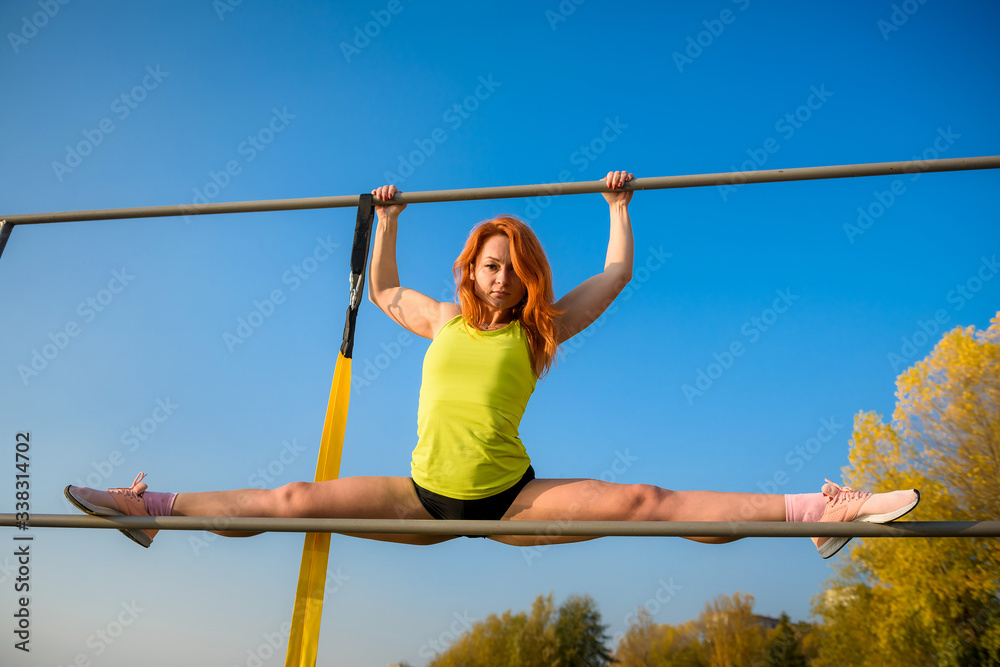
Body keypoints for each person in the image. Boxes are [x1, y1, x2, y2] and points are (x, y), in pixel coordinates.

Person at [65, 171, 919, 559]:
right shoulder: (439, 320)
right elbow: (385, 284)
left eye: (509, 263)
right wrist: (389, 218)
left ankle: (821, 509)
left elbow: (616, 275)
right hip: (418, 495)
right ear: (470, 268)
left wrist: (617, 209)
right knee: (290, 501)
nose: (495, 271)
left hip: (514, 499)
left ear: (525, 277)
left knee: (652, 504)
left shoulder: (539, 332)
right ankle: (152, 509)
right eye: (485, 260)